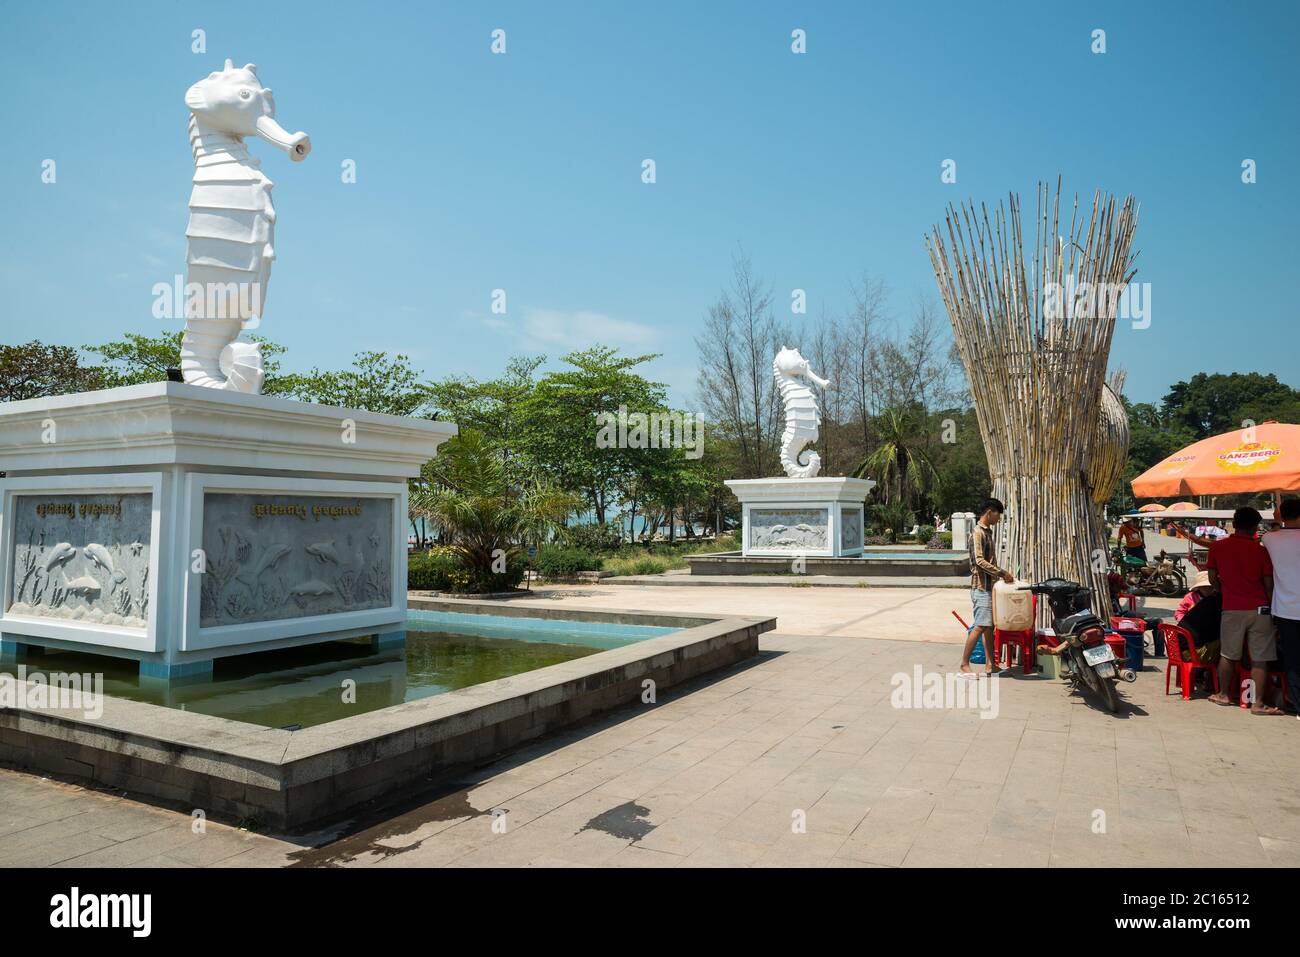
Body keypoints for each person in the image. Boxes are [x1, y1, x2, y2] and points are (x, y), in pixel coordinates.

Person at [1206, 507, 1282, 714]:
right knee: (1260, 657)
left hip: (1231, 607)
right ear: (1255, 526)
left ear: (1235, 522)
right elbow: (1268, 583)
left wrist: (1223, 589)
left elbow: (1213, 578)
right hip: (1260, 609)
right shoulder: (1261, 551)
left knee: (1228, 654)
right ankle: (1257, 703)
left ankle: (1223, 694)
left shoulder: (1218, 548)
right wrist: (1270, 604)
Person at [961, 497, 1014, 677]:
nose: (999, 519)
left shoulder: (988, 532)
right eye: (998, 514)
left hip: (989, 587)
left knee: (989, 627)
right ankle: (964, 665)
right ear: (990, 512)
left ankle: (991, 665)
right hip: (981, 587)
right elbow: (979, 561)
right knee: (980, 626)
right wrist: (1002, 573)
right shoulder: (977, 533)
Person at [1262, 497, 1300, 717]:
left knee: (1293, 661)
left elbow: (1273, 533)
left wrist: (1277, 522)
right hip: (1286, 609)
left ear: (1281, 516)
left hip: (1285, 610)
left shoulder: (1270, 539)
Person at [1173, 569, 1221, 664]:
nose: (1208, 590)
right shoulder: (1193, 598)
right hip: (1190, 651)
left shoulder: (1210, 601)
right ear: (1199, 588)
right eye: (1205, 587)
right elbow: (1179, 612)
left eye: (1210, 587)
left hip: (1187, 645)